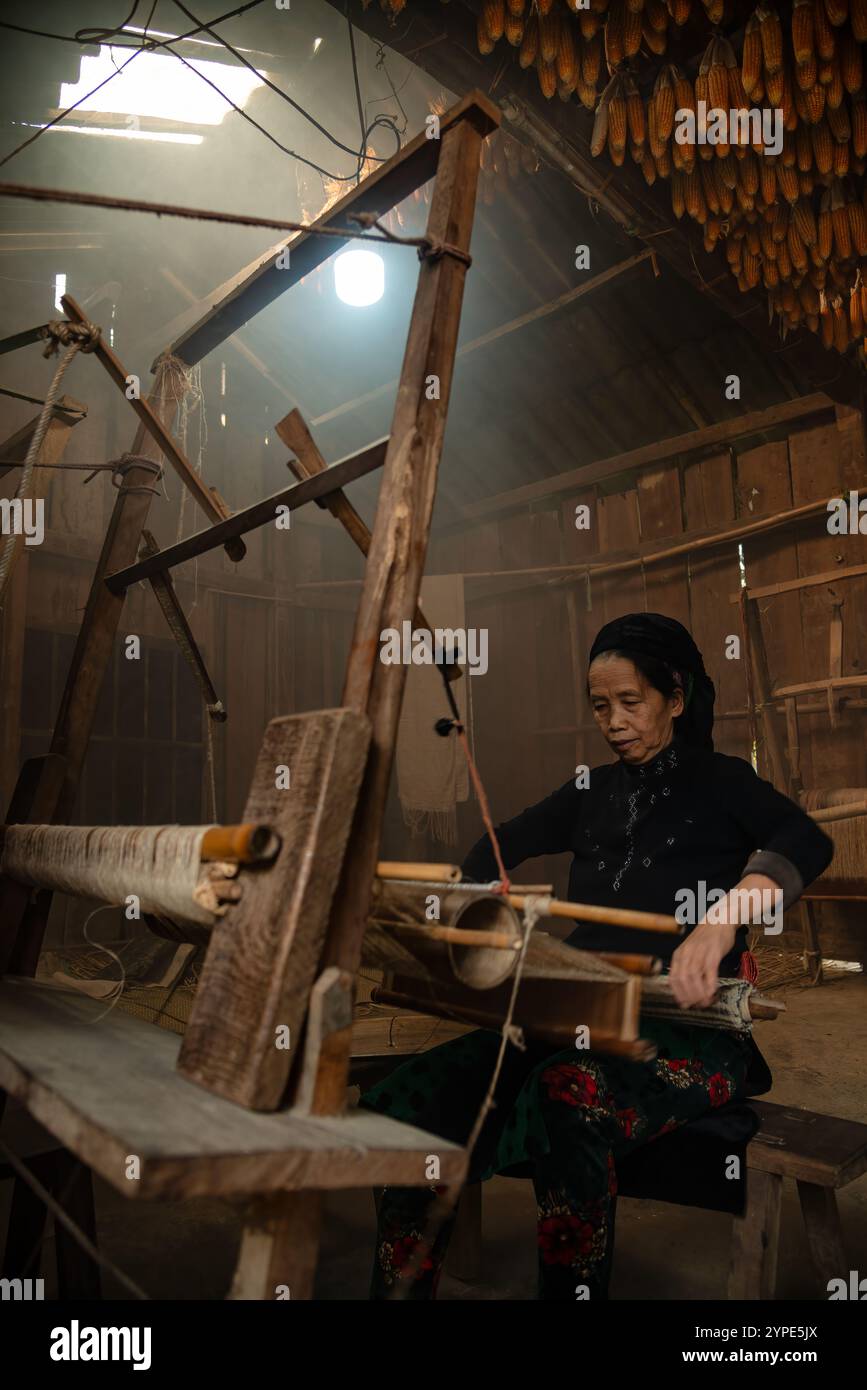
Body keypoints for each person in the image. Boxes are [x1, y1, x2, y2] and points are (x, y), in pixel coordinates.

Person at [361, 612, 833, 1300]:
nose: (612, 721)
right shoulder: (590, 789)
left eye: (630, 703)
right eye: (600, 706)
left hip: (691, 1030)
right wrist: (465, 908)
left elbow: (804, 840)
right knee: (411, 1097)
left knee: (566, 1093)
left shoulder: (722, 782)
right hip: (577, 1010)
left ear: (674, 698)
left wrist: (718, 921)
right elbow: (499, 842)